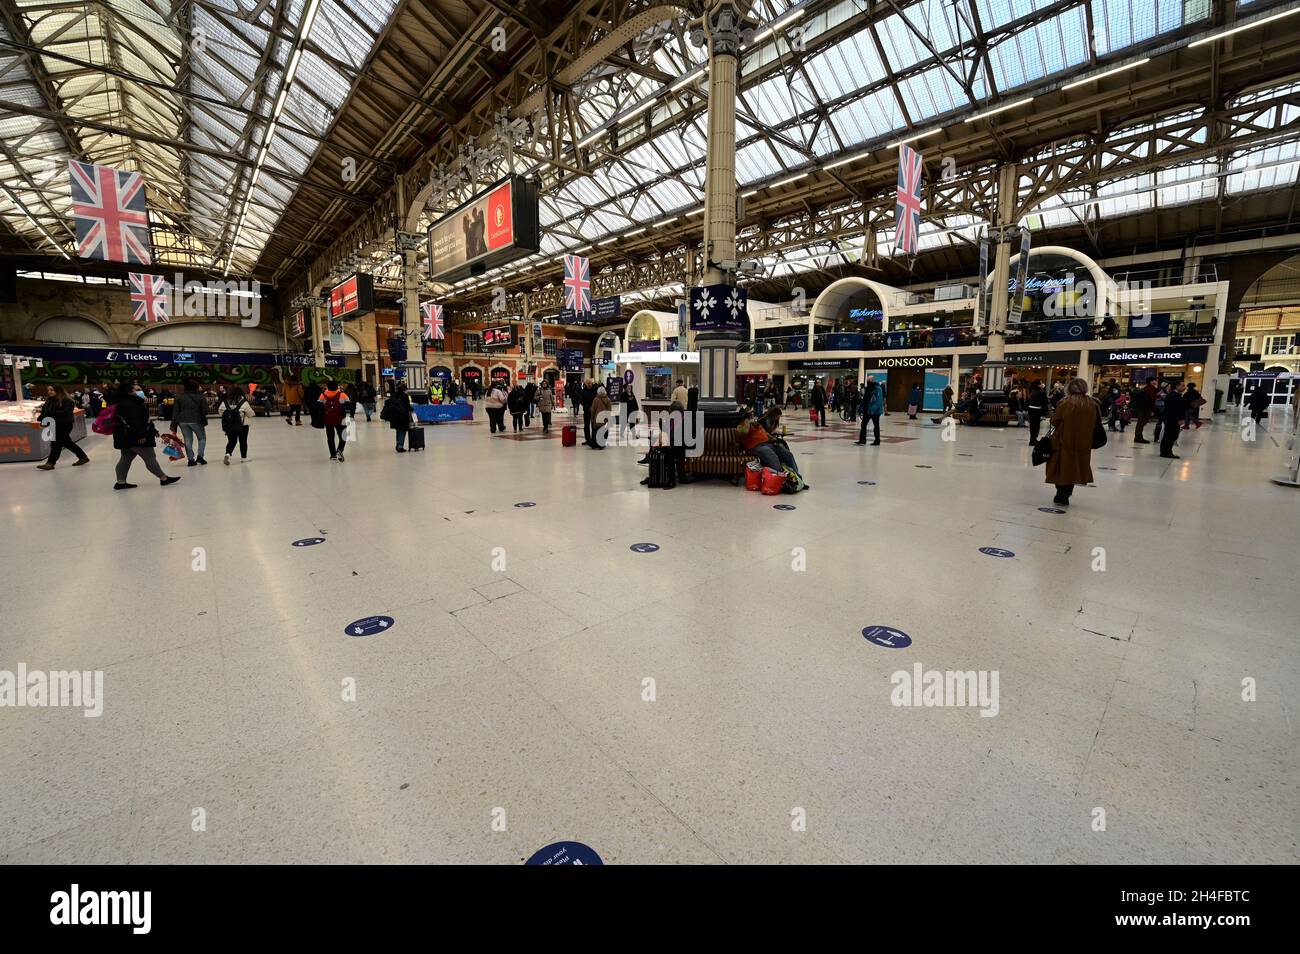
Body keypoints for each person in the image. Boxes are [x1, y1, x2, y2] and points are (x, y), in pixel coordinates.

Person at [111, 383, 181, 490]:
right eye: (137, 389)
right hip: (136, 436)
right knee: (150, 457)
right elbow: (135, 422)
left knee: (125, 458)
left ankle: (120, 482)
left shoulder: (123, 402)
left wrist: (153, 431)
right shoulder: (132, 404)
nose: (140, 391)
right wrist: (141, 435)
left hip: (125, 436)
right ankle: (163, 478)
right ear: (129, 392)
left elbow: (142, 421)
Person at [1045, 377, 1099, 507]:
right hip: (1084, 442)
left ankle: (1061, 494)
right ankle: (1066, 493)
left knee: (1062, 467)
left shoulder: (1066, 403)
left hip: (1064, 440)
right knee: (1076, 467)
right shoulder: (1093, 404)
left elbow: (1054, 421)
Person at [737, 407, 809, 490]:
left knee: (787, 454)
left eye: (752, 413)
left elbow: (765, 433)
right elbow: (744, 432)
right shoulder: (741, 425)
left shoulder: (756, 424)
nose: (752, 414)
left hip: (768, 444)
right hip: (757, 447)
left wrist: (775, 440)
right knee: (773, 458)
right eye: (750, 414)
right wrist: (747, 421)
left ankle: (798, 480)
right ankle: (782, 482)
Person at [34, 385, 90, 470]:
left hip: (64, 424)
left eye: (52, 390)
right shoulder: (49, 400)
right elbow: (45, 411)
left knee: (56, 444)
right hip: (53, 424)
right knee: (67, 443)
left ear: (58, 390)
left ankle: (50, 463)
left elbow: (65, 414)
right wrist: (41, 419)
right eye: (48, 390)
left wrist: (49, 412)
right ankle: (83, 457)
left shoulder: (67, 400)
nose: (49, 392)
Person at [170, 378, 209, 466]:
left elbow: (175, 412)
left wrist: (173, 425)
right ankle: (200, 457)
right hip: (196, 420)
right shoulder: (200, 397)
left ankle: (191, 460)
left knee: (188, 440)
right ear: (195, 387)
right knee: (201, 438)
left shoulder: (178, 397)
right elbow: (205, 411)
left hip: (182, 421)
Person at [219, 383, 254, 464]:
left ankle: (227, 454)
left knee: (231, 441)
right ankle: (244, 458)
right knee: (243, 441)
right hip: (242, 425)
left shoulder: (225, 402)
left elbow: (220, 412)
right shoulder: (243, 402)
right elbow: (251, 414)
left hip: (229, 426)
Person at [318, 380, 352, 461]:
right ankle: (339, 450)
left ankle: (333, 455)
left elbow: (318, 407)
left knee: (330, 437)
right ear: (337, 386)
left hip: (328, 419)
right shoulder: (342, 395)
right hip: (340, 419)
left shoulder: (322, 395)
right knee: (343, 436)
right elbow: (349, 406)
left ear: (327, 387)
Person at [381, 381, 413, 452]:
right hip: (402, 416)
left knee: (398, 431)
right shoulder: (404, 396)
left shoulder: (394, 395)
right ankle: (400, 446)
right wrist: (412, 409)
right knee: (402, 431)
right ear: (405, 389)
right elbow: (407, 406)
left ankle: (398, 444)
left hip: (394, 416)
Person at [1160, 382, 1187, 459]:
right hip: (1172, 419)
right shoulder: (1172, 396)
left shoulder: (1176, 395)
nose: (1184, 387)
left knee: (1172, 435)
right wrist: (1179, 419)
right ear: (1177, 386)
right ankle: (1166, 452)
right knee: (1169, 435)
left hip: (1172, 419)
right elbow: (1174, 409)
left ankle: (1167, 451)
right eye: (1182, 386)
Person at [855, 375, 884, 446]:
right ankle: (862, 440)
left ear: (872, 380)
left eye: (869, 380)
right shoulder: (868, 388)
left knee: (876, 425)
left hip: (875, 411)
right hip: (867, 410)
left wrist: (873, 410)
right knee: (863, 424)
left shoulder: (877, 389)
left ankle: (877, 441)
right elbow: (865, 399)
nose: (868, 382)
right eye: (867, 380)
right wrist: (861, 408)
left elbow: (878, 401)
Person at [1132, 379, 1156, 443]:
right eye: (1154, 380)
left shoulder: (1145, 388)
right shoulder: (1150, 388)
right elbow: (1152, 398)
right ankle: (1138, 438)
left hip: (1142, 407)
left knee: (1141, 423)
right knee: (1141, 423)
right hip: (1145, 408)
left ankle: (1138, 437)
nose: (1155, 382)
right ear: (1151, 381)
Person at [1024, 380, 1048, 445]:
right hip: (1037, 410)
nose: (1042, 384)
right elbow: (1045, 401)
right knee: (1036, 426)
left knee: (1032, 426)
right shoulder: (1041, 392)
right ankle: (1034, 440)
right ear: (1038, 385)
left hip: (1031, 409)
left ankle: (1032, 439)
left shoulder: (1033, 391)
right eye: (1040, 383)